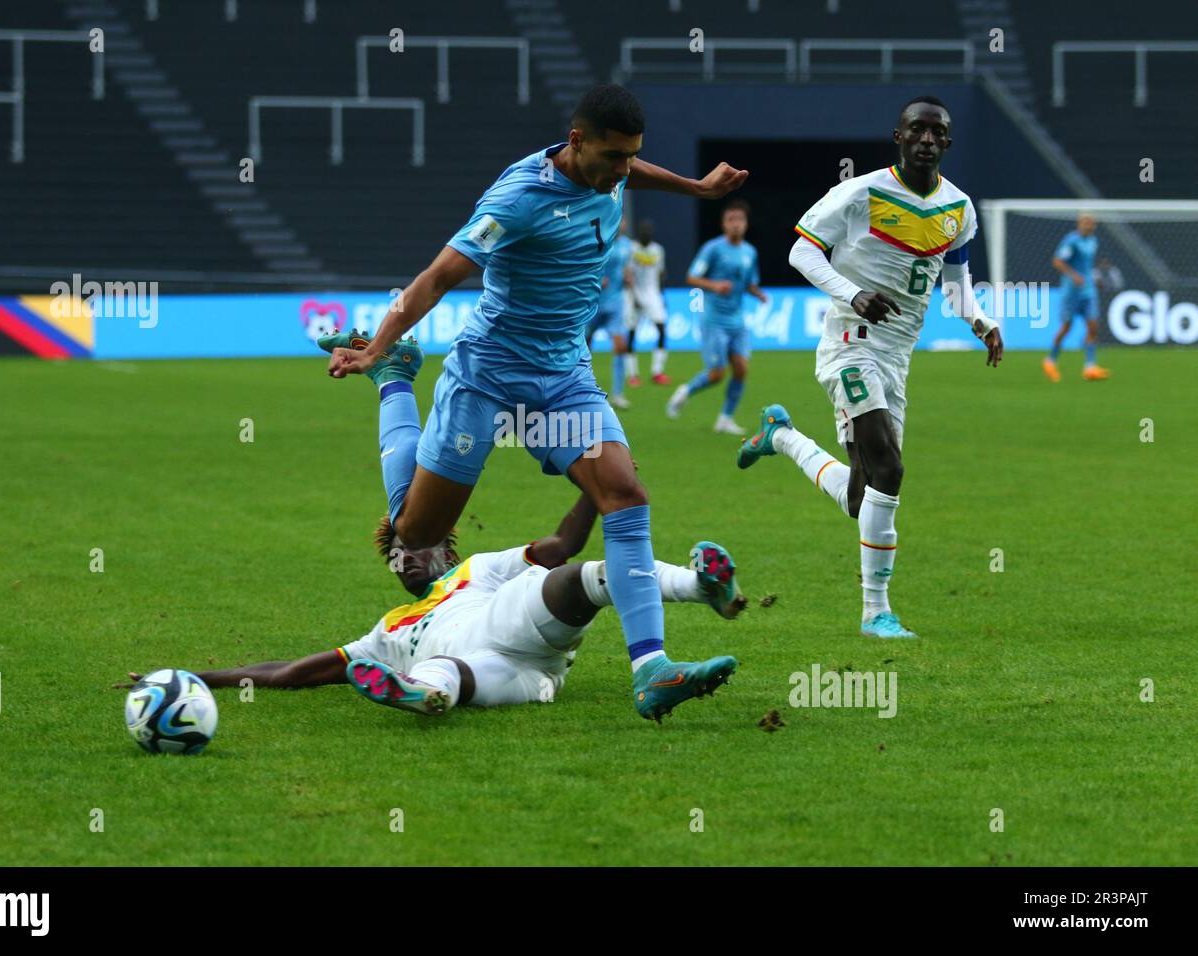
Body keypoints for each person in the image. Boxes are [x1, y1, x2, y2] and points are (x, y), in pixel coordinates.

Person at [321, 84, 748, 720]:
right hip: (487, 377)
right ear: (577, 142)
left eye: (632, 155)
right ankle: (393, 379)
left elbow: (631, 172)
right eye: (614, 156)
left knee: (624, 494)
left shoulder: (609, 170)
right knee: (416, 541)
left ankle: (651, 669)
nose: (623, 170)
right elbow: (437, 277)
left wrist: (695, 188)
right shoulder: (518, 199)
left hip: (564, 379)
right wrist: (376, 347)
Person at [737, 96, 1002, 639]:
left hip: (897, 356)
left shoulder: (959, 208)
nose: (926, 139)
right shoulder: (860, 193)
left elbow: (954, 280)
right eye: (916, 130)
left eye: (936, 132)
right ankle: (875, 612)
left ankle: (781, 437)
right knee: (891, 469)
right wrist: (852, 294)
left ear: (948, 142)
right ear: (898, 137)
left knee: (862, 497)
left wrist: (980, 321)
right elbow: (801, 252)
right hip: (849, 344)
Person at [119, 494, 746, 723]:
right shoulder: (386, 631)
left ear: (447, 547)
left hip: (516, 623)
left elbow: (562, 543)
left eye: (415, 546)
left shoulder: (481, 569)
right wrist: (199, 676)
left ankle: (702, 587)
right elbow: (289, 672)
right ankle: (422, 697)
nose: (406, 559)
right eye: (397, 556)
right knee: (448, 675)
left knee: (581, 577)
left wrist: (597, 489)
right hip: (512, 676)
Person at [668, 198, 768, 434]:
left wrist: (758, 294)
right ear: (724, 224)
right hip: (714, 320)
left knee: (741, 369)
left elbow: (748, 282)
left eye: (739, 219)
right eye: (731, 219)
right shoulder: (712, 249)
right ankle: (685, 391)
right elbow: (691, 277)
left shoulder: (749, 252)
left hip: (737, 320)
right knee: (717, 374)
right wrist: (715, 286)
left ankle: (725, 419)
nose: (736, 224)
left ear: (746, 223)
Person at [1044, 213, 1110, 381]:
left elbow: (1087, 265)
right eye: (1086, 223)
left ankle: (1090, 367)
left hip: (1088, 291)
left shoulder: (1093, 241)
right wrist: (1074, 275)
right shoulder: (1071, 241)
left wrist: (1094, 279)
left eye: (1091, 223)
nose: (1089, 226)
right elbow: (1058, 261)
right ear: (1079, 224)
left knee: (1093, 326)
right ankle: (1050, 360)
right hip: (1071, 292)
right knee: (1067, 327)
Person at [585, 217, 633, 409]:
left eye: (623, 221)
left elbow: (625, 267)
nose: (622, 224)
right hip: (593, 302)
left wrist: (627, 277)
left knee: (620, 345)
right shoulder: (598, 240)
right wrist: (596, 280)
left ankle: (618, 394)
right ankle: (582, 389)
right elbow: (584, 266)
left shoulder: (627, 245)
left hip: (615, 302)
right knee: (584, 347)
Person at [623, 219, 670, 386]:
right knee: (631, 333)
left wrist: (662, 296)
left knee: (662, 330)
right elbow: (626, 273)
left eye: (649, 231)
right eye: (643, 231)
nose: (646, 234)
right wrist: (633, 297)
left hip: (652, 294)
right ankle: (633, 374)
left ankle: (657, 372)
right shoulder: (631, 248)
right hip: (633, 294)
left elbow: (660, 273)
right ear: (639, 233)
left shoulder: (658, 250)